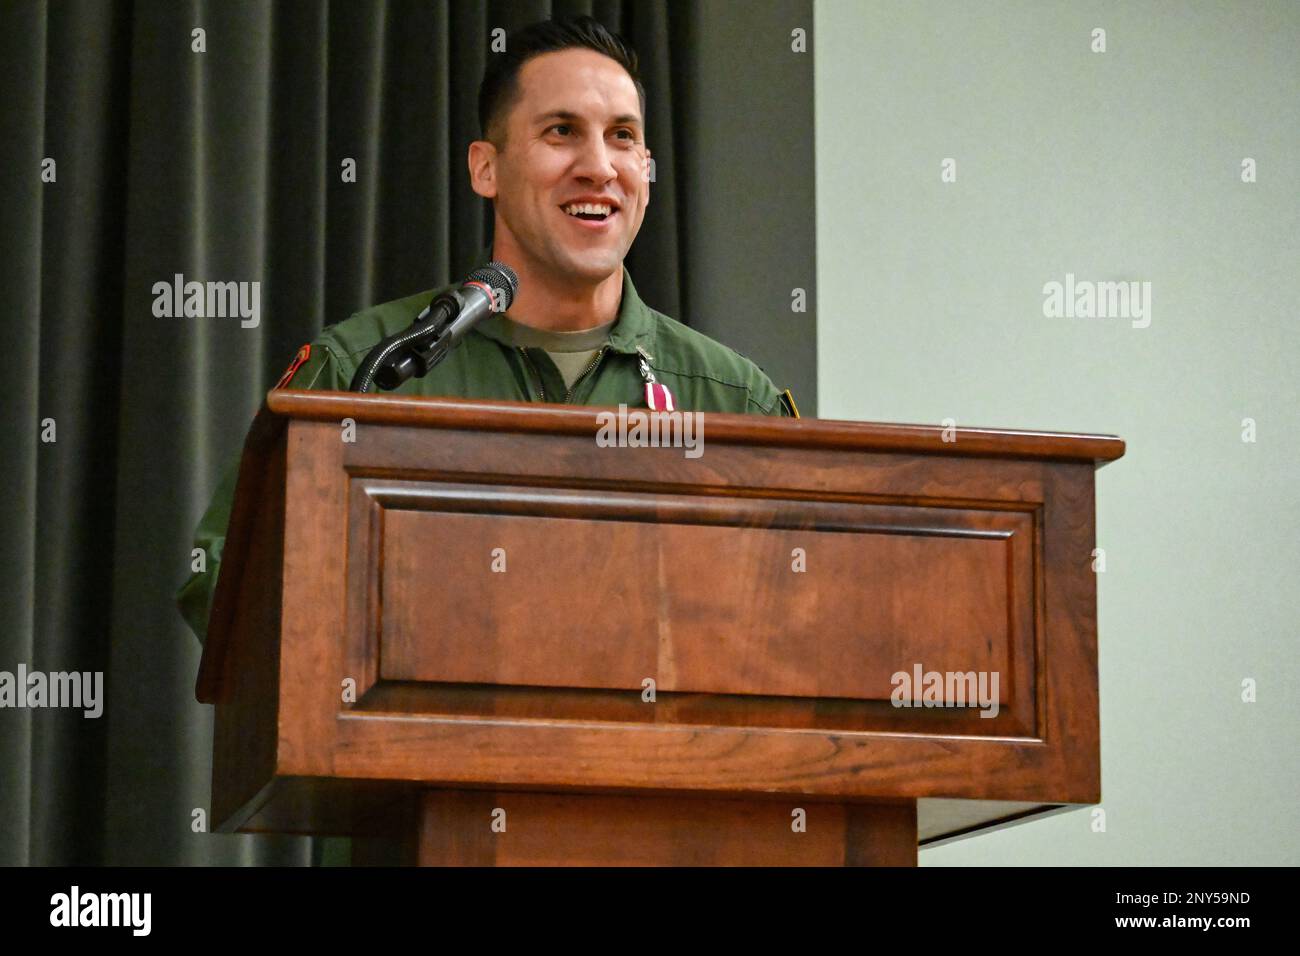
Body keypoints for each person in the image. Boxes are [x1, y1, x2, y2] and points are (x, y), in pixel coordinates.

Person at [178, 15, 798, 645]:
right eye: (561, 131)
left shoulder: (732, 400)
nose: (599, 167)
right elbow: (225, 581)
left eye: (622, 136)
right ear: (486, 169)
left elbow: (799, 612)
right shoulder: (369, 370)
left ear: (646, 168)